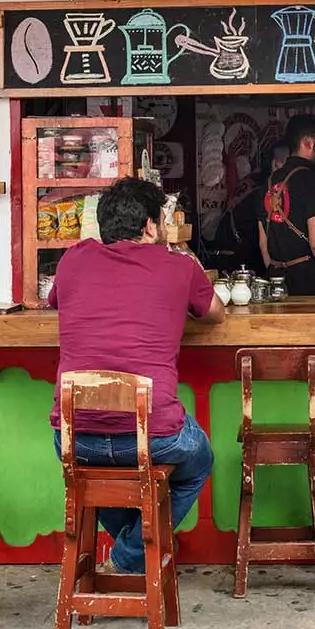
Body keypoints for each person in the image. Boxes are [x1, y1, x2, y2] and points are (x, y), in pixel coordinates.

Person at [49, 177, 225, 576]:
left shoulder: (73, 259)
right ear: (149, 226)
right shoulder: (178, 266)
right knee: (199, 461)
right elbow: (216, 312)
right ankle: (132, 554)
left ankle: (134, 545)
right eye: (162, 221)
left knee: (98, 482)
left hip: (74, 440)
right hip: (155, 437)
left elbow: (54, 299)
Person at [259, 114, 315, 296]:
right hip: (310, 285)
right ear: (307, 143)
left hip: (276, 284)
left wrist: (276, 274)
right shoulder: (314, 181)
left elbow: (264, 245)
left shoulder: (268, 182)